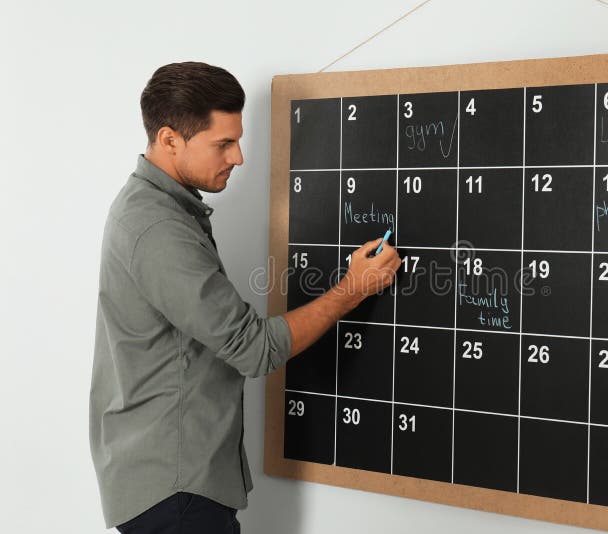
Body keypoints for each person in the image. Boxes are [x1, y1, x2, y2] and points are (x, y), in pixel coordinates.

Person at [89, 61, 401, 533]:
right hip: (175, 492)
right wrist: (352, 289)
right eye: (223, 143)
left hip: (171, 483)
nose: (239, 157)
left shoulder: (158, 209)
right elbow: (254, 349)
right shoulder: (157, 228)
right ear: (170, 139)